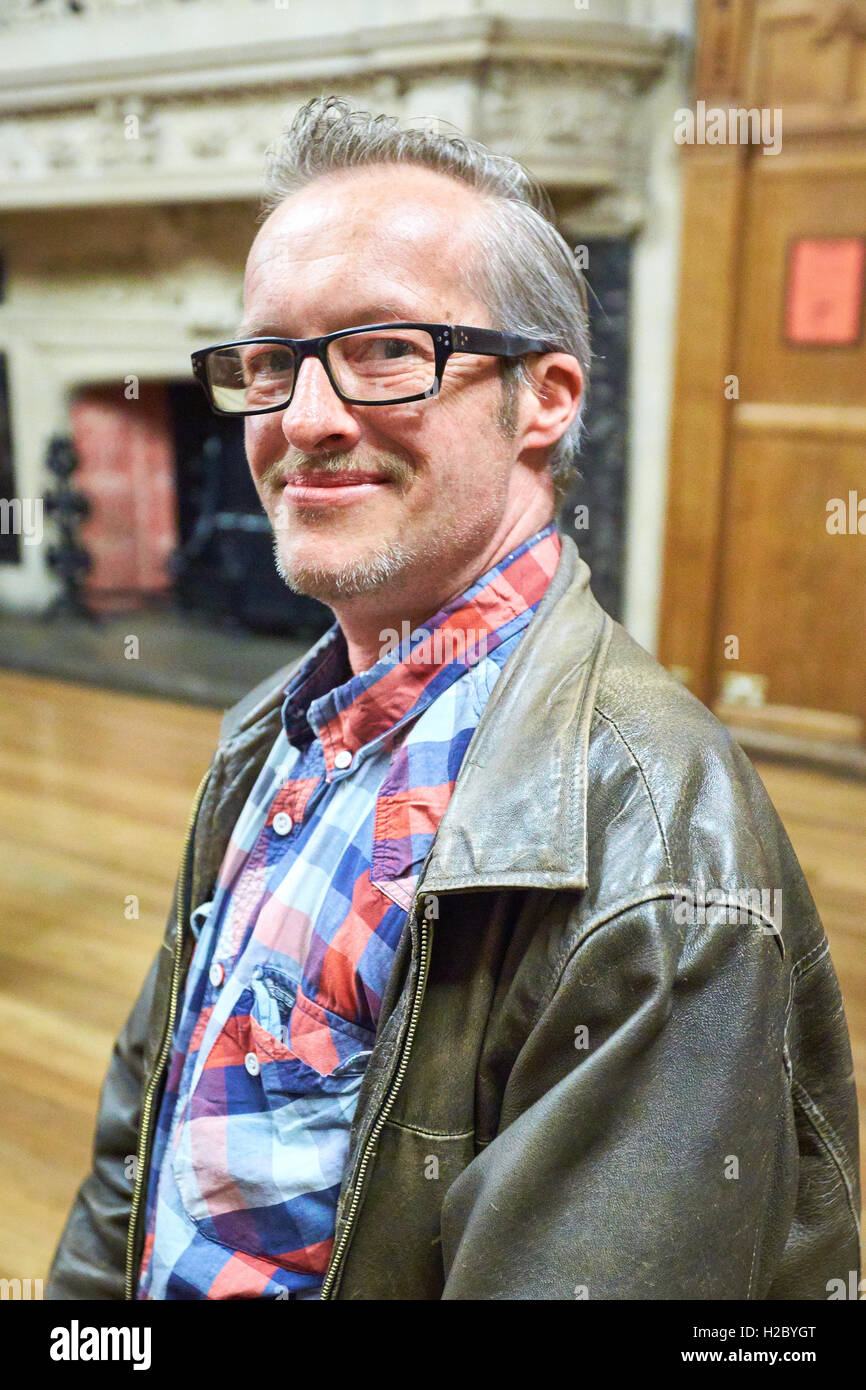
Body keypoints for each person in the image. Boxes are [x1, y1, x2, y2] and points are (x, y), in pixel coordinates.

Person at [47, 96, 859, 1301]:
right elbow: (150, 1137)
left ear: (545, 399)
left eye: (384, 350)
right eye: (271, 362)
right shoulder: (279, 726)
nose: (303, 421)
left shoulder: (656, 855)